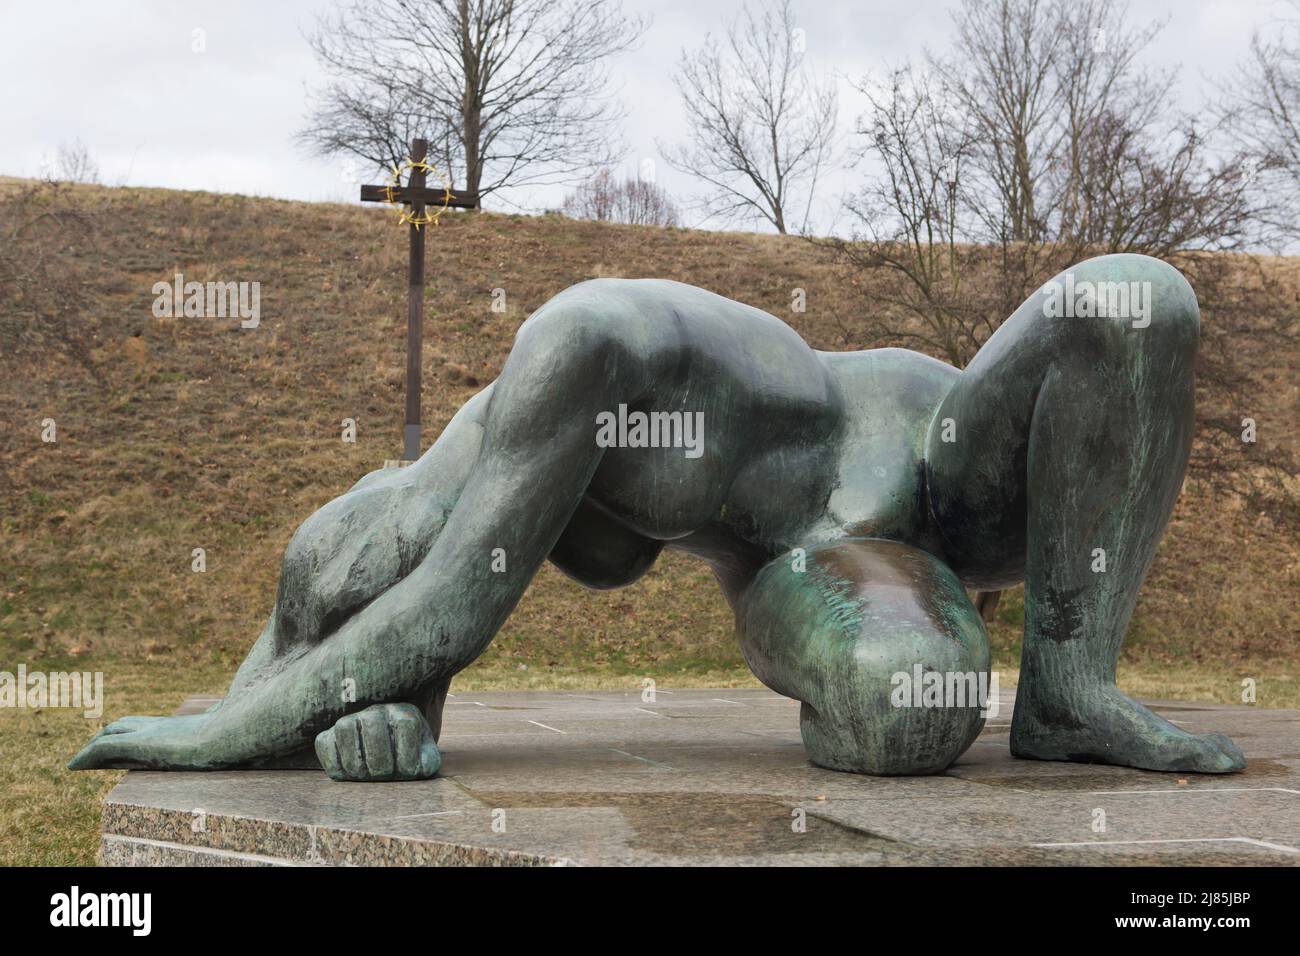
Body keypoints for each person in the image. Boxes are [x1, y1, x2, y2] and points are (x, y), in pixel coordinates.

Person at [70, 253, 1245, 781]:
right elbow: (400, 602)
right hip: (829, 555)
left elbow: (438, 599)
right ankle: (992, 680)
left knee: (1134, 299)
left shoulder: (571, 362)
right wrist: (378, 703)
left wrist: (205, 734)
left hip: (947, 453)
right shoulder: (521, 418)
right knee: (908, 712)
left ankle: (1068, 683)